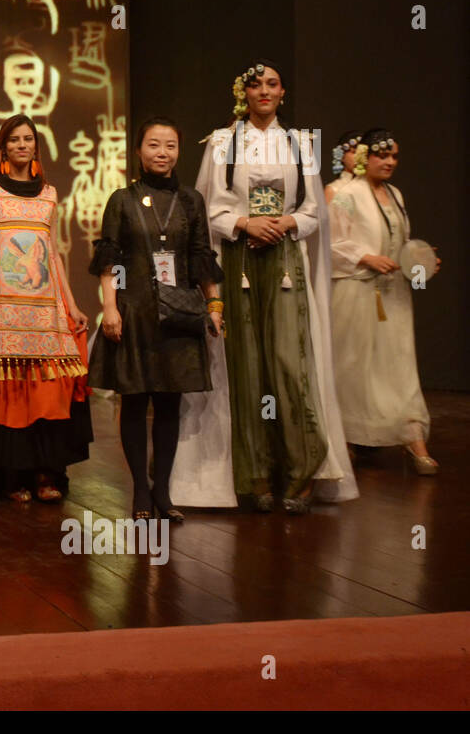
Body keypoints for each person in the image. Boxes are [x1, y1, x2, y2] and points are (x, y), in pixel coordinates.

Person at [171, 60, 356, 513]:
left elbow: (315, 211)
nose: (265, 91)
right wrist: (244, 223)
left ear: (283, 93)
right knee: (245, 363)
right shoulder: (221, 142)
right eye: (255, 85)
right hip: (238, 260)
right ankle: (255, 475)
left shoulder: (301, 144)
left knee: (288, 362)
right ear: (243, 94)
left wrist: (287, 221)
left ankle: (300, 470)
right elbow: (207, 208)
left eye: (272, 84)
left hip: (286, 260)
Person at [0, 115, 93, 505]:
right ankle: (12, 475)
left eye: (28, 139)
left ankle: (46, 472)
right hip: (2, 309)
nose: (22, 145)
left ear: (35, 147)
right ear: (3, 147)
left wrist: (73, 304)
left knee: (47, 392)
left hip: (46, 310)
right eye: (15, 139)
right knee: (7, 393)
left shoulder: (49, 193)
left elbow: (54, 255)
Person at [87, 117, 223, 520]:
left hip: (179, 314)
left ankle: (163, 491)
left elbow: (201, 257)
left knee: (169, 404)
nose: (162, 153)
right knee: (134, 402)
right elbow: (109, 260)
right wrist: (109, 308)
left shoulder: (191, 200)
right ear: (139, 151)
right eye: (153, 145)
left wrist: (214, 306)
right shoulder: (122, 200)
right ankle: (139, 494)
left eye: (170, 146)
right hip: (135, 311)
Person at [328, 128, 438, 473]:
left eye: (394, 156)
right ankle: (344, 438)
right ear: (364, 156)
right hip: (356, 289)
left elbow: (397, 241)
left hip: (393, 293)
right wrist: (364, 256)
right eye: (382, 155)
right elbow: (329, 244)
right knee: (353, 366)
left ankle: (412, 436)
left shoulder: (396, 194)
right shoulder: (343, 193)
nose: (390, 161)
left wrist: (419, 260)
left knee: (399, 364)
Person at [324, 129, 363, 206]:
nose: (359, 157)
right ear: (342, 156)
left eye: (362, 153)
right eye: (354, 152)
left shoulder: (371, 188)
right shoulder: (333, 190)